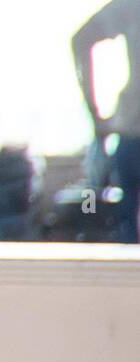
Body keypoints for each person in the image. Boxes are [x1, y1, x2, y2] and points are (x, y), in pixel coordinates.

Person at [74, 0, 140, 242]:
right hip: (133, 139)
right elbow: (80, 40)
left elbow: (79, 40)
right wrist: (94, 112)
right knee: (97, 204)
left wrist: (95, 114)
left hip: (132, 137)